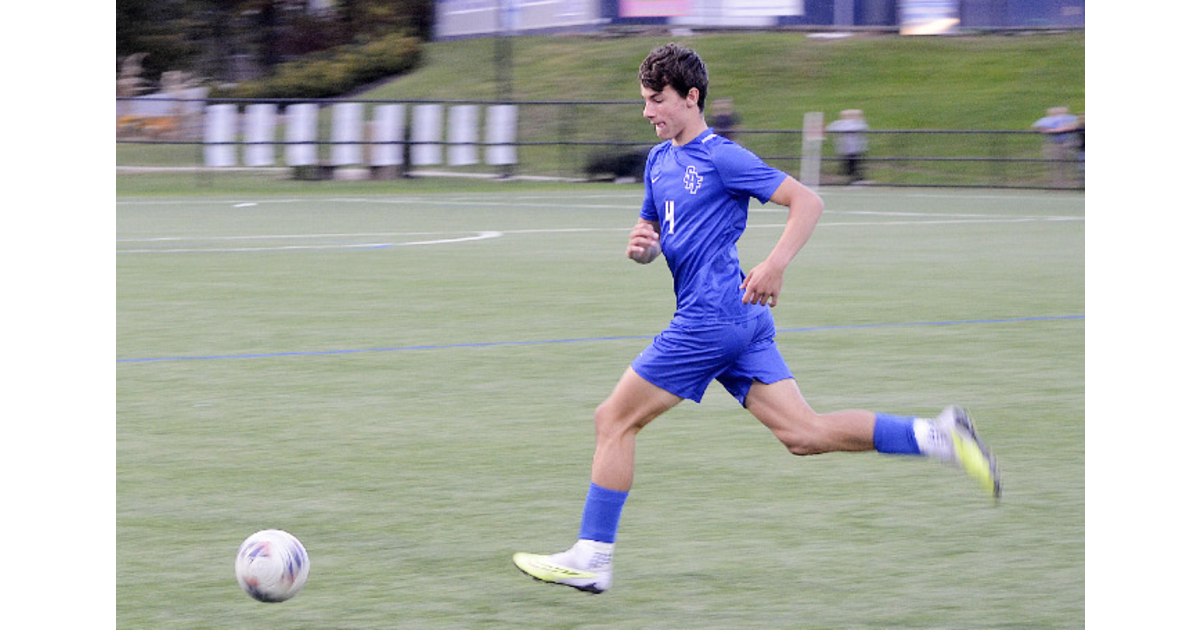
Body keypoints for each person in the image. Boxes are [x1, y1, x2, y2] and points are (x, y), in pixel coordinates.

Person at [512, 43, 1000, 595]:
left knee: (614, 420)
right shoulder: (656, 161)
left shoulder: (723, 156)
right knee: (803, 433)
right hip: (737, 318)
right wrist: (643, 248)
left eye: (657, 100)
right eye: (644, 100)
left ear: (691, 98)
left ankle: (591, 558)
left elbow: (807, 201)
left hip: (712, 318)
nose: (648, 111)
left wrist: (775, 263)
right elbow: (655, 237)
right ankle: (938, 436)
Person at [1032, 106, 1079, 188]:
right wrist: (1046, 129)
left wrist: (1066, 127)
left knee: (1071, 162)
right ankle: (1057, 183)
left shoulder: (1071, 118)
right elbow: (1035, 127)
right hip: (1053, 143)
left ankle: (1072, 182)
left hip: (1069, 142)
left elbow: (1077, 124)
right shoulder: (1046, 120)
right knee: (1055, 164)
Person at [826, 109, 870, 184]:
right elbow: (831, 128)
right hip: (845, 149)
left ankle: (858, 178)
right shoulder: (840, 123)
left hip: (856, 149)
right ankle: (851, 178)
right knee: (847, 165)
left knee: (857, 164)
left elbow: (858, 127)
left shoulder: (858, 123)